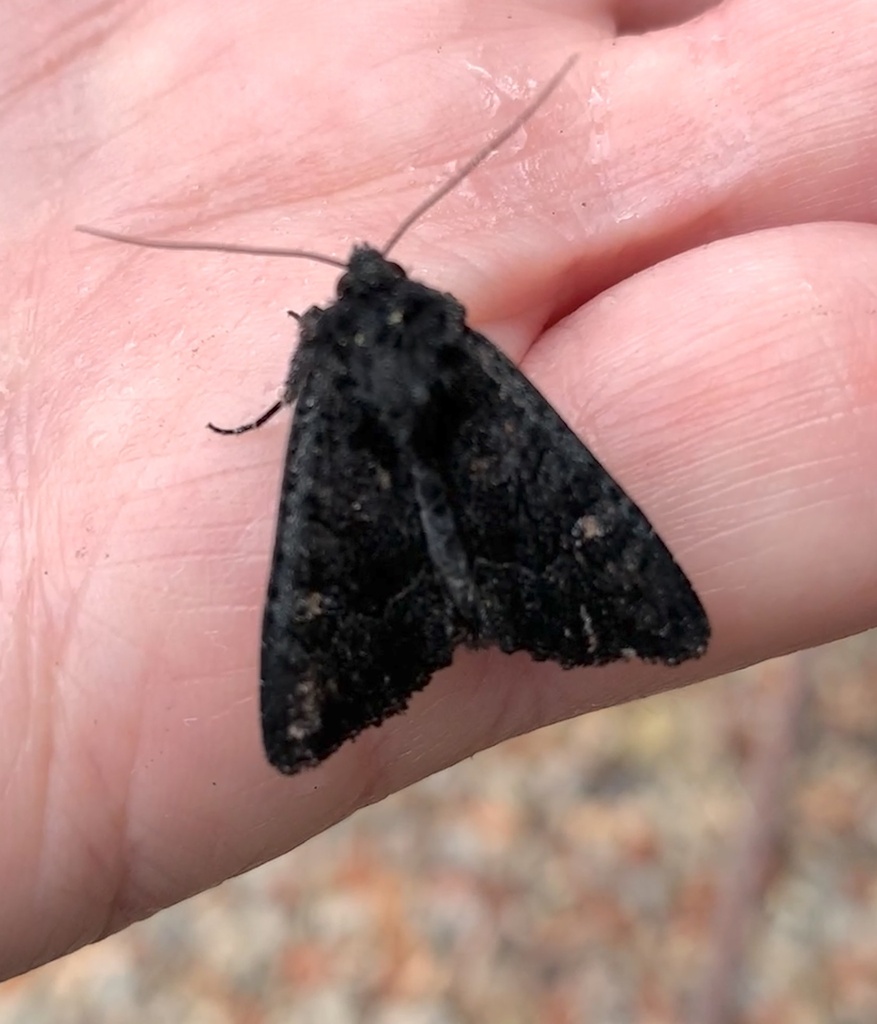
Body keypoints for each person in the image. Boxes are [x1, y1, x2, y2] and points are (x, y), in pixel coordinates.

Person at [2, 0, 875, 982]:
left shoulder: (325, 352)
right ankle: (536, 599)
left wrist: (282, 398)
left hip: (346, 518)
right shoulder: (440, 327)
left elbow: (305, 377)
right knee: (591, 531)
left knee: (317, 622)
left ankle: (416, 630)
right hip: (512, 472)